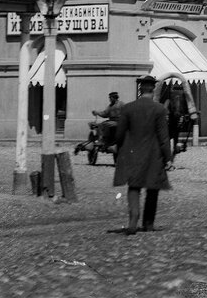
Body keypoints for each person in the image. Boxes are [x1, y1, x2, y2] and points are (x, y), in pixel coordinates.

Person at [111, 75, 171, 235]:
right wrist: (169, 158)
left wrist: (119, 148)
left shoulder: (128, 108)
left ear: (140, 89)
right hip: (154, 155)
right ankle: (148, 224)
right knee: (153, 188)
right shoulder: (159, 109)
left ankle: (133, 220)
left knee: (134, 186)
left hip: (133, 154)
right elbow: (164, 137)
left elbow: (119, 134)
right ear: (153, 89)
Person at [162, 79, 198, 164]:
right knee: (168, 140)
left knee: (174, 139)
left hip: (174, 122)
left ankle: (171, 158)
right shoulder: (169, 100)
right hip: (169, 123)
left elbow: (181, 111)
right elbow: (165, 111)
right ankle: (168, 159)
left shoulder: (179, 98)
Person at [76, 91, 123, 156]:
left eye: (110, 98)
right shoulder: (111, 106)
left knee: (102, 125)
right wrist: (97, 112)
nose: (109, 99)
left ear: (114, 98)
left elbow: (126, 112)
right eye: (109, 98)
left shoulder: (121, 104)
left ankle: (100, 140)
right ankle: (107, 139)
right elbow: (105, 114)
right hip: (113, 121)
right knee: (104, 124)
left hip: (118, 121)